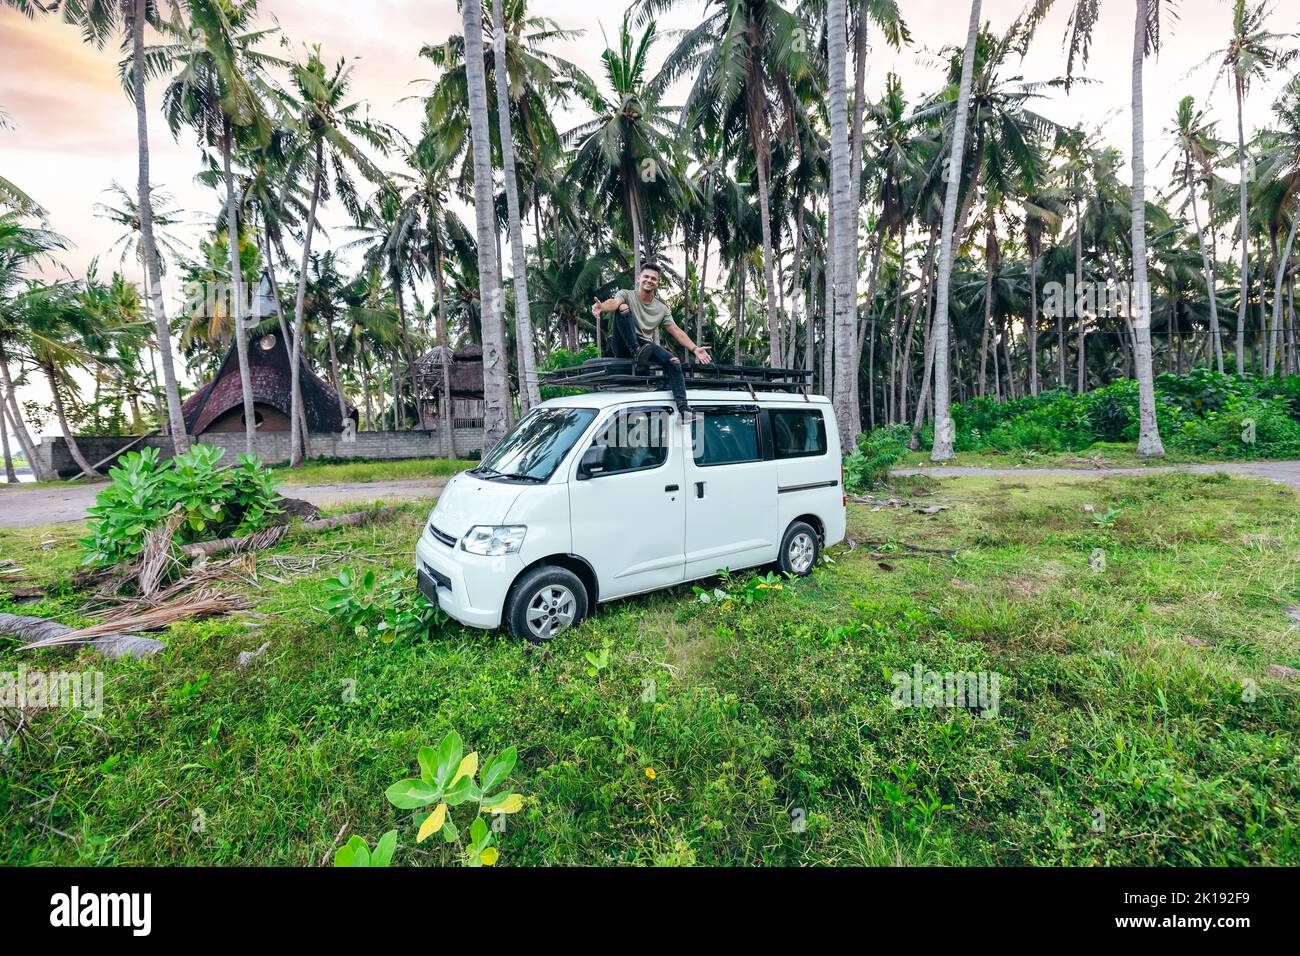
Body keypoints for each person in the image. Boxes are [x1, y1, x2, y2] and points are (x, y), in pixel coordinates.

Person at [590, 261, 712, 414]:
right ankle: (636, 352)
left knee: (673, 361)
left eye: (653, 278)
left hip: (645, 347)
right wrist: (602, 307)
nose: (649, 280)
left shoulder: (661, 308)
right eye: (646, 277)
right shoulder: (626, 294)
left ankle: (683, 408)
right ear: (639, 279)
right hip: (623, 343)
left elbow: (675, 330)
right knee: (622, 307)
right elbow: (615, 303)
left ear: (657, 283)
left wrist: (695, 349)